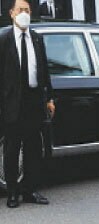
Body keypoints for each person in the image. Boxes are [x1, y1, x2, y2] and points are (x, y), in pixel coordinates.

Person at [0, 0, 54, 208]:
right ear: (11, 13)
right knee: (12, 149)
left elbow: (44, 70)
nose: (24, 14)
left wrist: (48, 97)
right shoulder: (4, 39)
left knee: (33, 148)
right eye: (21, 10)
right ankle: (13, 192)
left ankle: (30, 190)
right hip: (12, 103)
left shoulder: (37, 39)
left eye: (28, 11)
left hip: (33, 101)